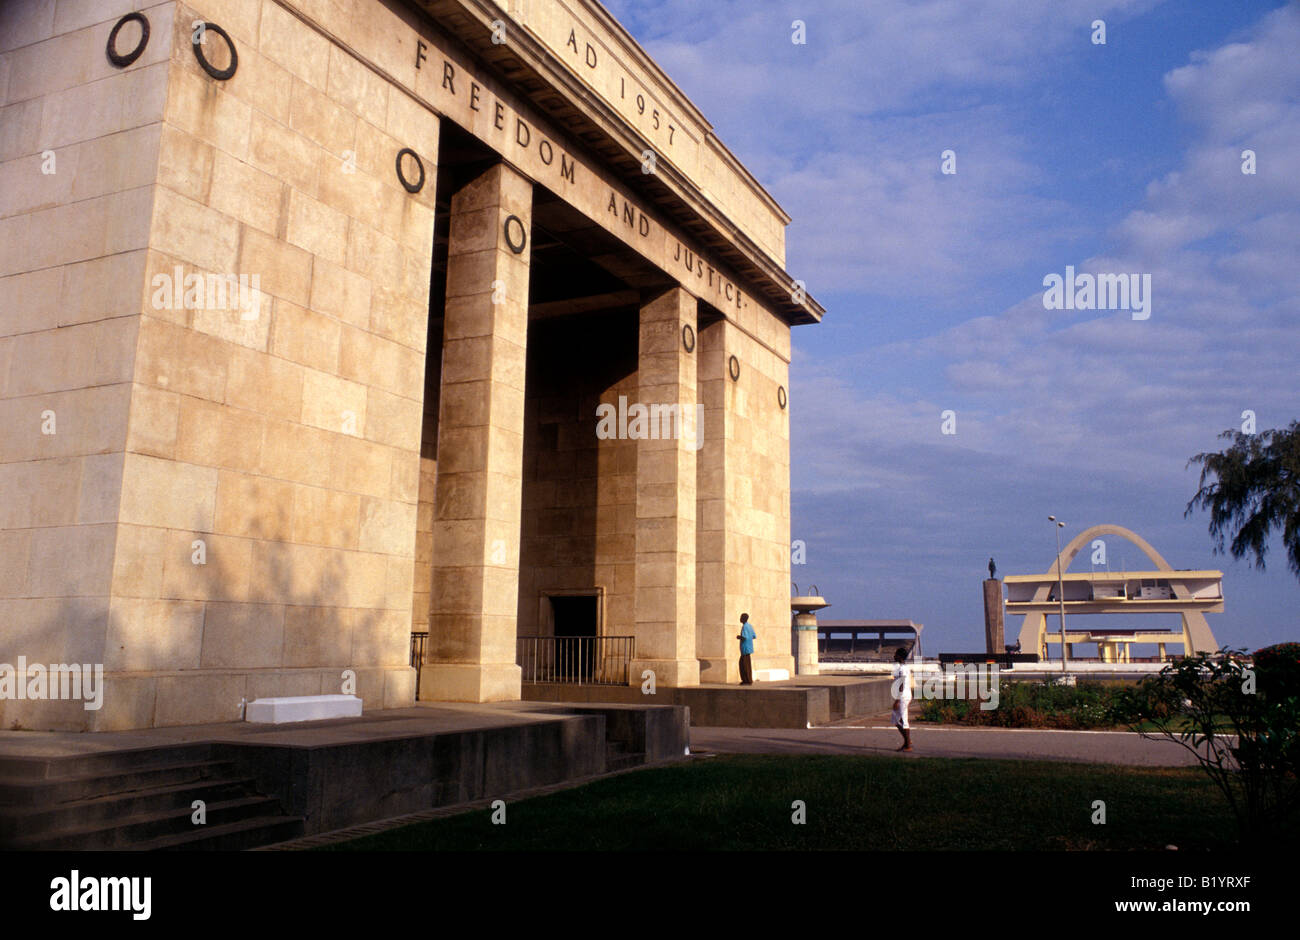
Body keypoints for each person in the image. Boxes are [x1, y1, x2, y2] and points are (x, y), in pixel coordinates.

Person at [891, 645, 913, 751]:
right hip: (903, 695)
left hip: (903, 697)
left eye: (896, 654)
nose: (894, 656)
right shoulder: (901, 668)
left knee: (904, 720)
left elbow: (902, 684)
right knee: (895, 720)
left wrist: (897, 700)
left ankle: (908, 744)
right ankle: (907, 740)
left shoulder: (903, 669)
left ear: (900, 656)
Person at [737, 613, 756, 685]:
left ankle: (746, 680)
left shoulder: (745, 627)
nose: (740, 618)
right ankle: (748, 680)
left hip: (745, 649)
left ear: (744, 619)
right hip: (749, 648)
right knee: (747, 665)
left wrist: (739, 637)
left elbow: (744, 637)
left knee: (744, 665)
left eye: (741, 617)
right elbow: (754, 636)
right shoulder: (750, 626)